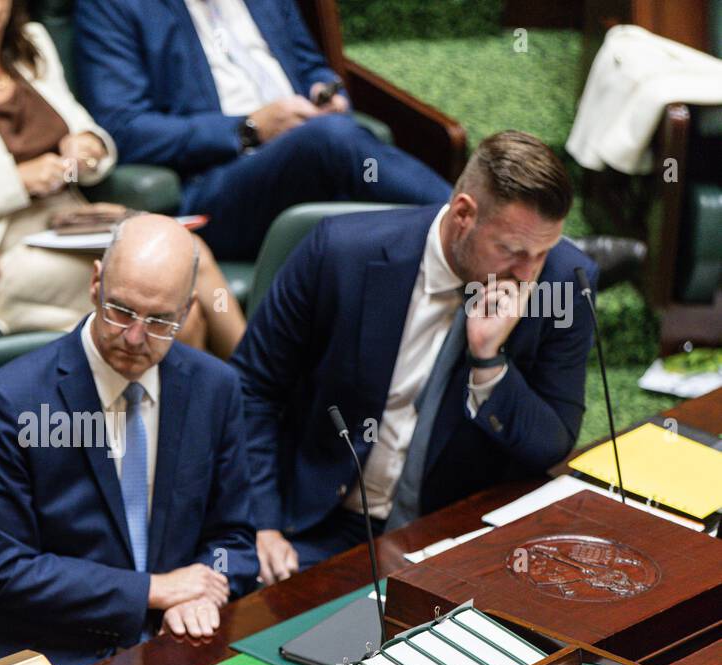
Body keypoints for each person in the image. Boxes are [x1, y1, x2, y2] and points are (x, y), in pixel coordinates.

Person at [231, 131, 598, 581]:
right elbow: (251, 388)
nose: (527, 273)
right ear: (464, 214)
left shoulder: (562, 284)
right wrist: (264, 522)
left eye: (543, 252)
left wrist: (489, 364)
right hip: (317, 524)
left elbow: (552, 443)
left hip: (454, 534)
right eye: (511, 250)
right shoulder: (340, 253)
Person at [0, 214, 258, 665]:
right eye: (120, 311)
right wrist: (154, 590)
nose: (135, 338)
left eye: (159, 321)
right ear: (95, 283)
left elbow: (232, 539)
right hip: (44, 649)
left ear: (188, 309)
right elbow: (5, 570)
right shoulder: (11, 401)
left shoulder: (215, 388)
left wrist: (200, 592)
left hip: (170, 636)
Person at [0, 0, 246, 356]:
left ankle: (224, 410)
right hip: (3, 254)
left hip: (73, 225)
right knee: (182, 264)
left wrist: (88, 146)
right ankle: (255, 396)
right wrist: (17, 181)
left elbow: (87, 130)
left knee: (186, 300)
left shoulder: (31, 47)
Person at [74, 0, 452, 261]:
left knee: (337, 147)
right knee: (330, 140)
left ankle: (465, 240)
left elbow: (311, 66)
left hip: (313, 150)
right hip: (219, 183)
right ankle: (465, 221)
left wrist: (325, 91)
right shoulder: (112, 5)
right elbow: (126, 128)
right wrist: (249, 129)